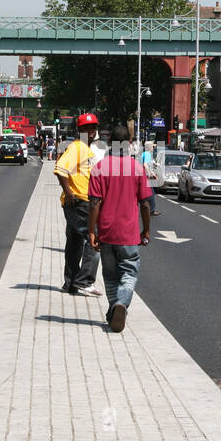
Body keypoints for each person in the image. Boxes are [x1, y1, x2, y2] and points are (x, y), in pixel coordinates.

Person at [88, 125, 153, 332]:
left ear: (109, 143)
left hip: (106, 232)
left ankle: (113, 310)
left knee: (109, 276)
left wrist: (91, 231)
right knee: (129, 273)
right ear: (129, 144)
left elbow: (94, 203)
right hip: (129, 234)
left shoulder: (99, 168)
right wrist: (146, 229)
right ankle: (121, 304)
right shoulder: (137, 168)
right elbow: (145, 203)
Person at [54, 112, 102, 296]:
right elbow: (60, 169)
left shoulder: (85, 148)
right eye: (86, 128)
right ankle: (85, 280)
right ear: (79, 130)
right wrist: (69, 193)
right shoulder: (77, 147)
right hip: (80, 201)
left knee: (74, 243)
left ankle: (71, 283)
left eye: (93, 127)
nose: (91, 131)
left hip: (79, 201)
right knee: (94, 238)